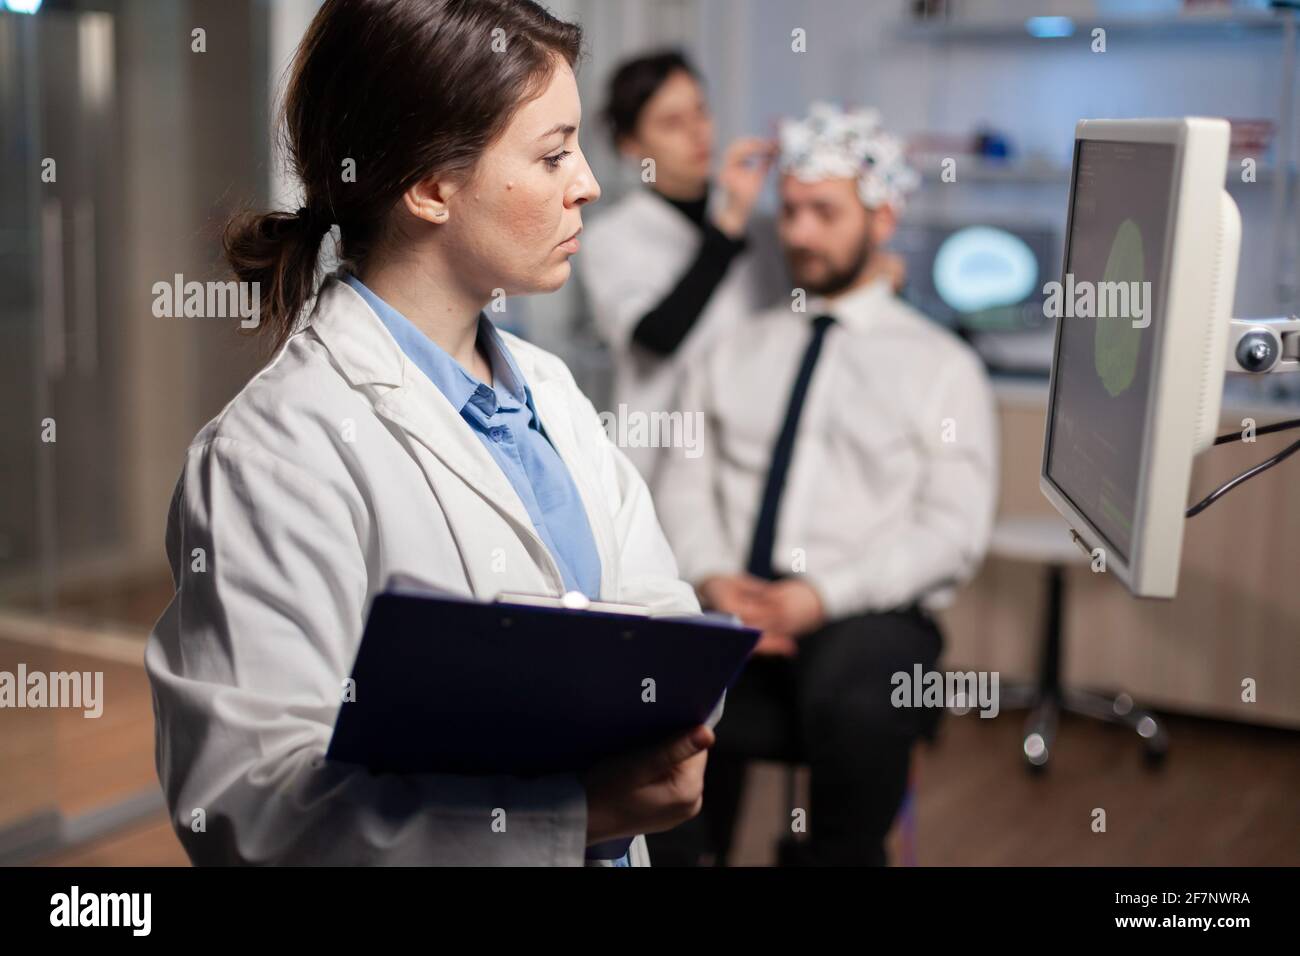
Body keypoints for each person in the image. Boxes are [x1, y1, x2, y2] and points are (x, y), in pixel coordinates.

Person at [144, 0, 717, 867]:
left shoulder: (552, 395)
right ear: (430, 187)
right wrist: (565, 816)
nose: (589, 183)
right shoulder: (273, 454)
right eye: (554, 154)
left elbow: (660, 614)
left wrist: (663, 726)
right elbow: (248, 814)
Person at [654, 103, 999, 866]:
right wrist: (714, 578)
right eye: (791, 211)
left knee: (861, 699)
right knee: (652, 689)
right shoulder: (731, 350)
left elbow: (952, 532)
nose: (801, 233)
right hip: (729, 598)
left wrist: (820, 596)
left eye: (826, 212)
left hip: (862, 610)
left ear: (884, 217)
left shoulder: (942, 368)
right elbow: (683, 480)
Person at [577, 50, 788, 488]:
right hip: (657, 456)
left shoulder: (762, 227)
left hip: (750, 453)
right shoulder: (611, 237)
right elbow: (657, 338)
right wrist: (726, 229)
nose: (698, 133)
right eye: (672, 123)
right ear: (631, 144)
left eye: (701, 112)